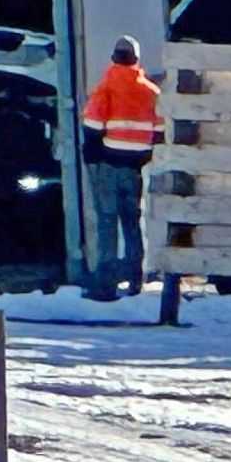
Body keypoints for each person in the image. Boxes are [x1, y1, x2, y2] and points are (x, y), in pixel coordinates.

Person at [81, 35, 161, 300]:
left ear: (114, 58)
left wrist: (91, 155)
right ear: (137, 60)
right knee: (132, 222)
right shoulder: (151, 92)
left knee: (106, 221)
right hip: (136, 168)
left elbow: (92, 127)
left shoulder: (106, 87)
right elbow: (159, 131)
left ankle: (105, 285)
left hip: (108, 164)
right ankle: (136, 280)